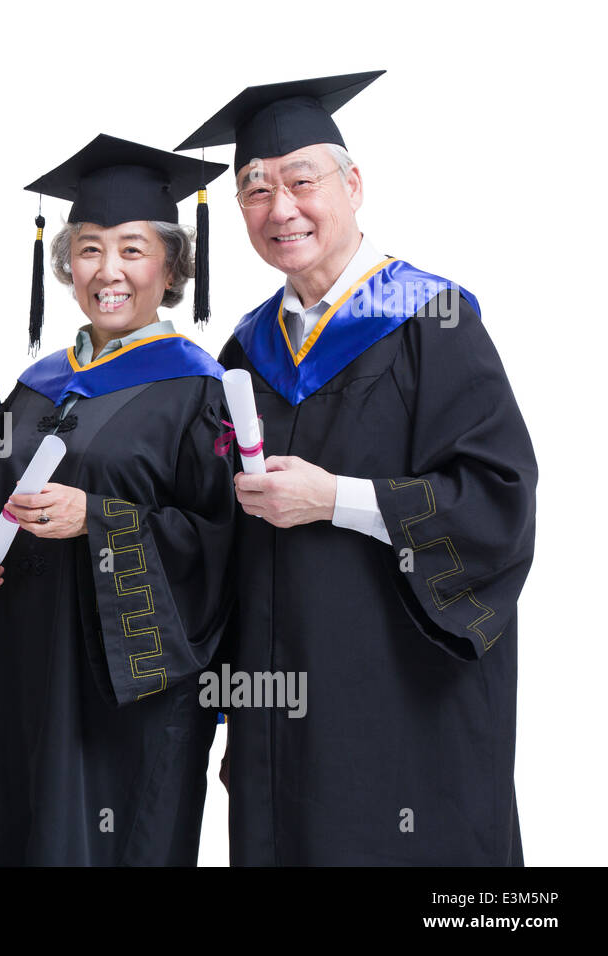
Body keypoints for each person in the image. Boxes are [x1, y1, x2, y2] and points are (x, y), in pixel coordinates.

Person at [178, 71, 537, 865]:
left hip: (404, 692)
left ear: (354, 185)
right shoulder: (246, 349)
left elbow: (496, 504)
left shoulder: (431, 320)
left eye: (302, 181)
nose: (281, 209)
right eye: (255, 190)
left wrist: (335, 498)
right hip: (282, 702)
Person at [0, 135, 236, 865]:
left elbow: (224, 542)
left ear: (172, 267)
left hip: (126, 689)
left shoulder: (199, 388)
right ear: (66, 263)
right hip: (18, 667)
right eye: (88, 249)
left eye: (133, 250)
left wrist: (100, 519)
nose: (108, 272)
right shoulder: (35, 382)